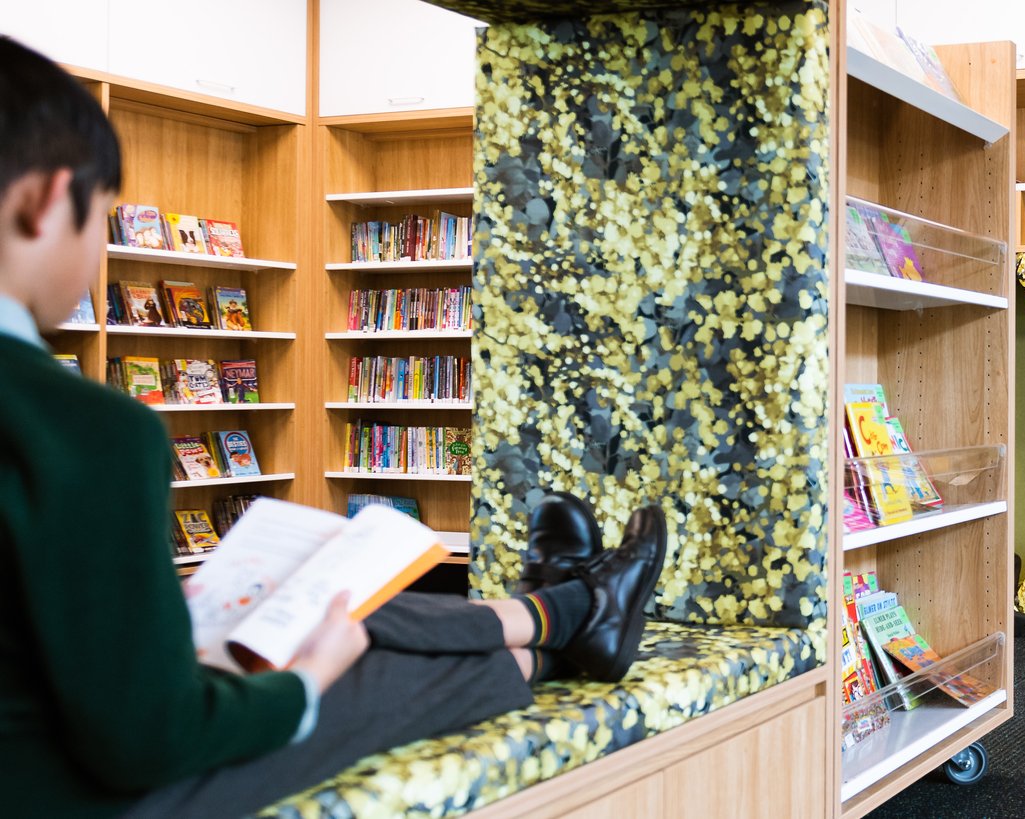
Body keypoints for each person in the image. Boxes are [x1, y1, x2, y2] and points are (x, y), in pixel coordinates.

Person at [0, 37, 663, 818]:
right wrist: (304, 681)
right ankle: (573, 618)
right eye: (101, 214)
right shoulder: (83, 429)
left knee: (328, 596)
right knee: (379, 664)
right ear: (47, 201)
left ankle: (565, 613)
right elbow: (148, 738)